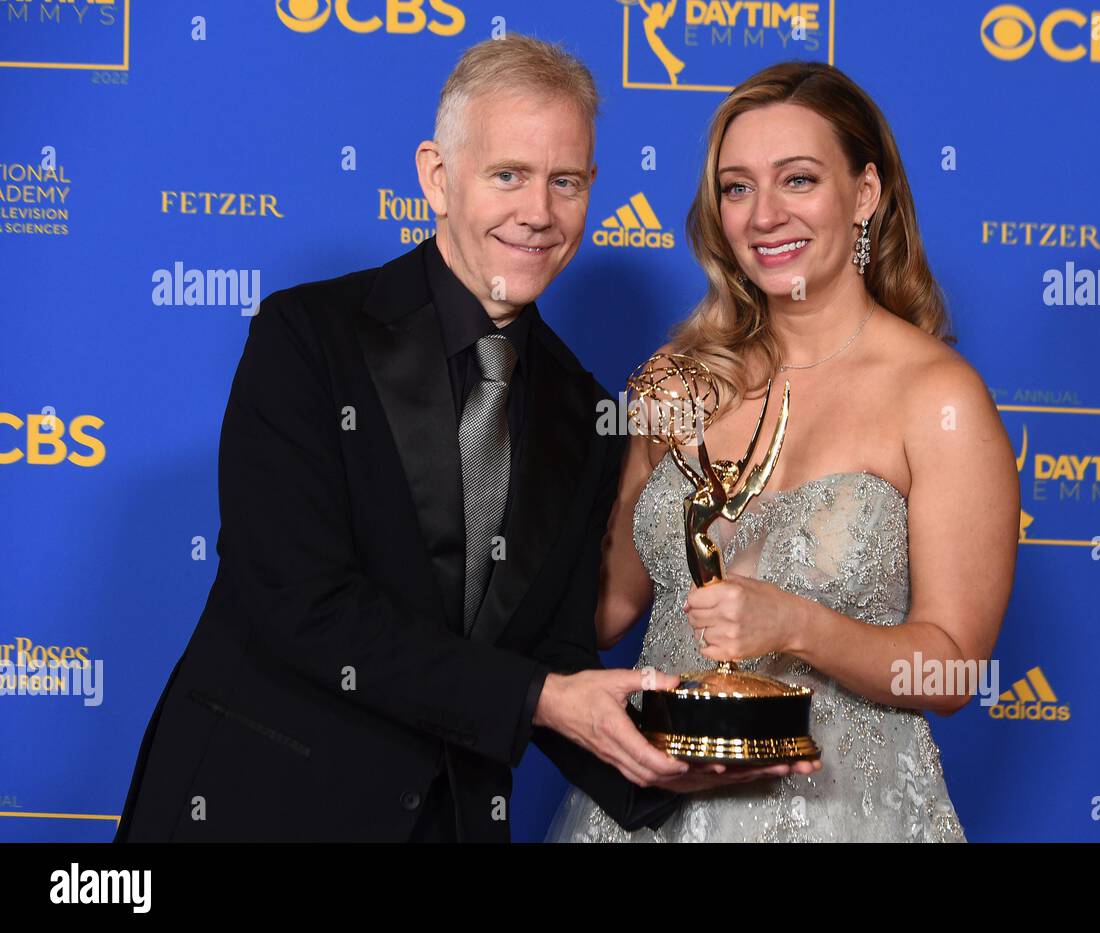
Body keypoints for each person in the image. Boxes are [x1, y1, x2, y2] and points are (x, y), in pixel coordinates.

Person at [113, 34, 806, 844]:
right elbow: (301, 601)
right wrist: (541, 697)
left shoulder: (584, 411)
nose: (538, 212)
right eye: (508, 174)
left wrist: (657, 765)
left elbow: (550, 649)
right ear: (437, 177)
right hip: (254, 809)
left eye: (566, 181)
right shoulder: (306, 337)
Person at [547, 61, 1019, 842]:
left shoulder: (938, 398)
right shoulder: (680, 380)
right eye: (737, 188)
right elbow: (606, 610)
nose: (764, 215)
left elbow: (952, 668)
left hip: (847, 815)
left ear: (865, 193)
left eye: (798, 179)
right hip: (656, 814)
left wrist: (797, 624)